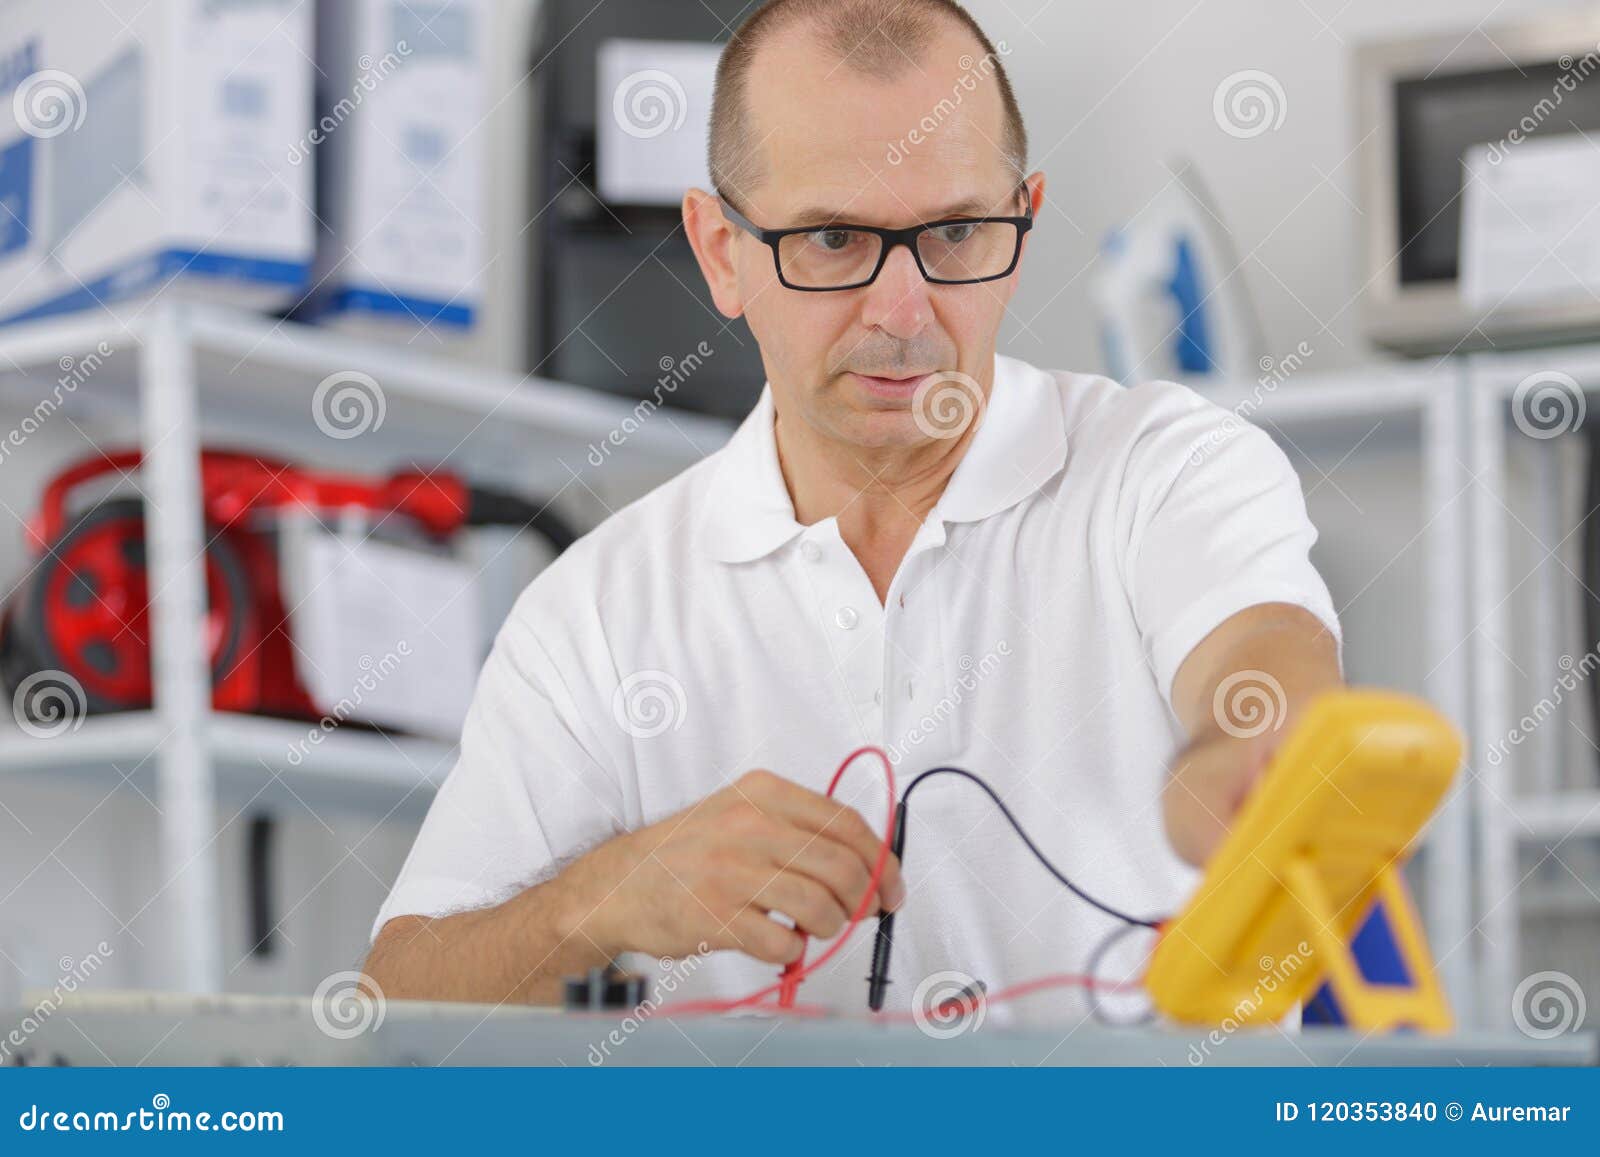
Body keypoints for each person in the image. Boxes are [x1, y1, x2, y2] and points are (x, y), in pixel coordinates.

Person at [363, 0, 1341, 1012]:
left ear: (1022, 220)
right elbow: (396, 1001)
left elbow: (1262, 653)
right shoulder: (596, 612)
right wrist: (606, 896)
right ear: (720, 250)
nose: (903, 311)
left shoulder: (1165, 468)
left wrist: (1253, 745)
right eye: (833, 238)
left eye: (955, 232)